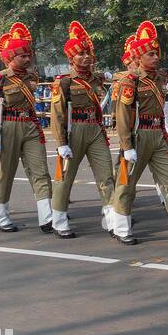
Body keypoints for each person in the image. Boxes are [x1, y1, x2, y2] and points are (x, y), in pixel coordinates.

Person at [110, 21, 168, 245]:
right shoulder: (130, 80)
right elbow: (124, 115)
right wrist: (126, 146)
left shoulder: (161, 78)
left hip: (158, 134)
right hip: (138, 135)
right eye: (151, 54)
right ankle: (121, 227)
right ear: (139, 58)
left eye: (157, 53)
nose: (156, 57)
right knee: (127, 184)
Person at [0, 22, 54, 232]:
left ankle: (46, 217)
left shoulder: (32, 77)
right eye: (22, 56)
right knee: (5, 173)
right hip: (9, 126)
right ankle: (0, 215)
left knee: (40, 170)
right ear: (10, 58)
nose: (27, 58)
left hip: (30, 125)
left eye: (28, 55)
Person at [48, 21, 115, 238]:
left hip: (95, 129)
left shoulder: (96, 79)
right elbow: (57, 114)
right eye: (80, 54)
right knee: (65, 177)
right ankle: (58, 220)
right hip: (73, 129)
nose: (86, 57)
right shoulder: (64, 82)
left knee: (106, 175)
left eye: (88, 53)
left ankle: (113, 218)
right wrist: (61, 144)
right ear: (71, 58)